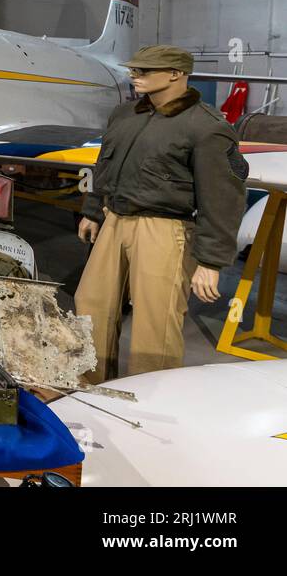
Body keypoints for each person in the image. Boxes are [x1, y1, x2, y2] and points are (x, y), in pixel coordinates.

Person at [75, 45, 246, 383]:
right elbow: (104, 164)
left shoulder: (206, 126)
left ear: (175, 74)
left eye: (144, 71)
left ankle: (152, 399)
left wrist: (210, 262)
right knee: (91, 305)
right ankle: (89, 391)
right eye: (135, 70)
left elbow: (222, 198)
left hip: (165, 229)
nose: (134, 76)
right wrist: (93, 211)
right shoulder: (125, 115)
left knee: (156, 324)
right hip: (115, 220)